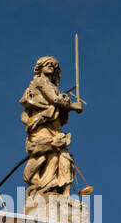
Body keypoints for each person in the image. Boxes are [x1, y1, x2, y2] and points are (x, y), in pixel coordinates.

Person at [20, 56, 82, 198]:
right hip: (42, 125)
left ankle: (55, 187)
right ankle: (41, 185)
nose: (51, 67)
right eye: (48, 64)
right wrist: (73, 106)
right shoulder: (40, 81)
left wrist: (66, 103)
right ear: (40, 67)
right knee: (44, 151)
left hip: (55, 127)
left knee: (60, 155)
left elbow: (57, 102)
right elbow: (53, 99)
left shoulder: (53, 86)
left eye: (54, 66)